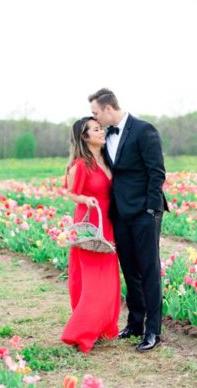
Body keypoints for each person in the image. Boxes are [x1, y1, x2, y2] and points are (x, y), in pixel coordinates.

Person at [88, 88, 168, 352]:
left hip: (145, 214)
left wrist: (152, 211)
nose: (95, 118)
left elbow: (156, 173)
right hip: (119, 215)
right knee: (130, 270)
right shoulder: (104, 137)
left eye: (96, 112)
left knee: (149, 271)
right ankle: (135, 323)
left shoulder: (145, 131)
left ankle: (153, 331)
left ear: (108, 108)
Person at [60, 117, 120, 353]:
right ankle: (80, 333)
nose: (101, 131)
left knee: (109, 278)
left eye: (100, 127)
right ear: (85, 137)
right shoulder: (80, 164)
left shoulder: (107, 158)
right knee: (94, 280)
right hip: (90, 222)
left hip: (109, 221)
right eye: (96, 129)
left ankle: (104, 326)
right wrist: (84, 198)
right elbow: (70, 192)